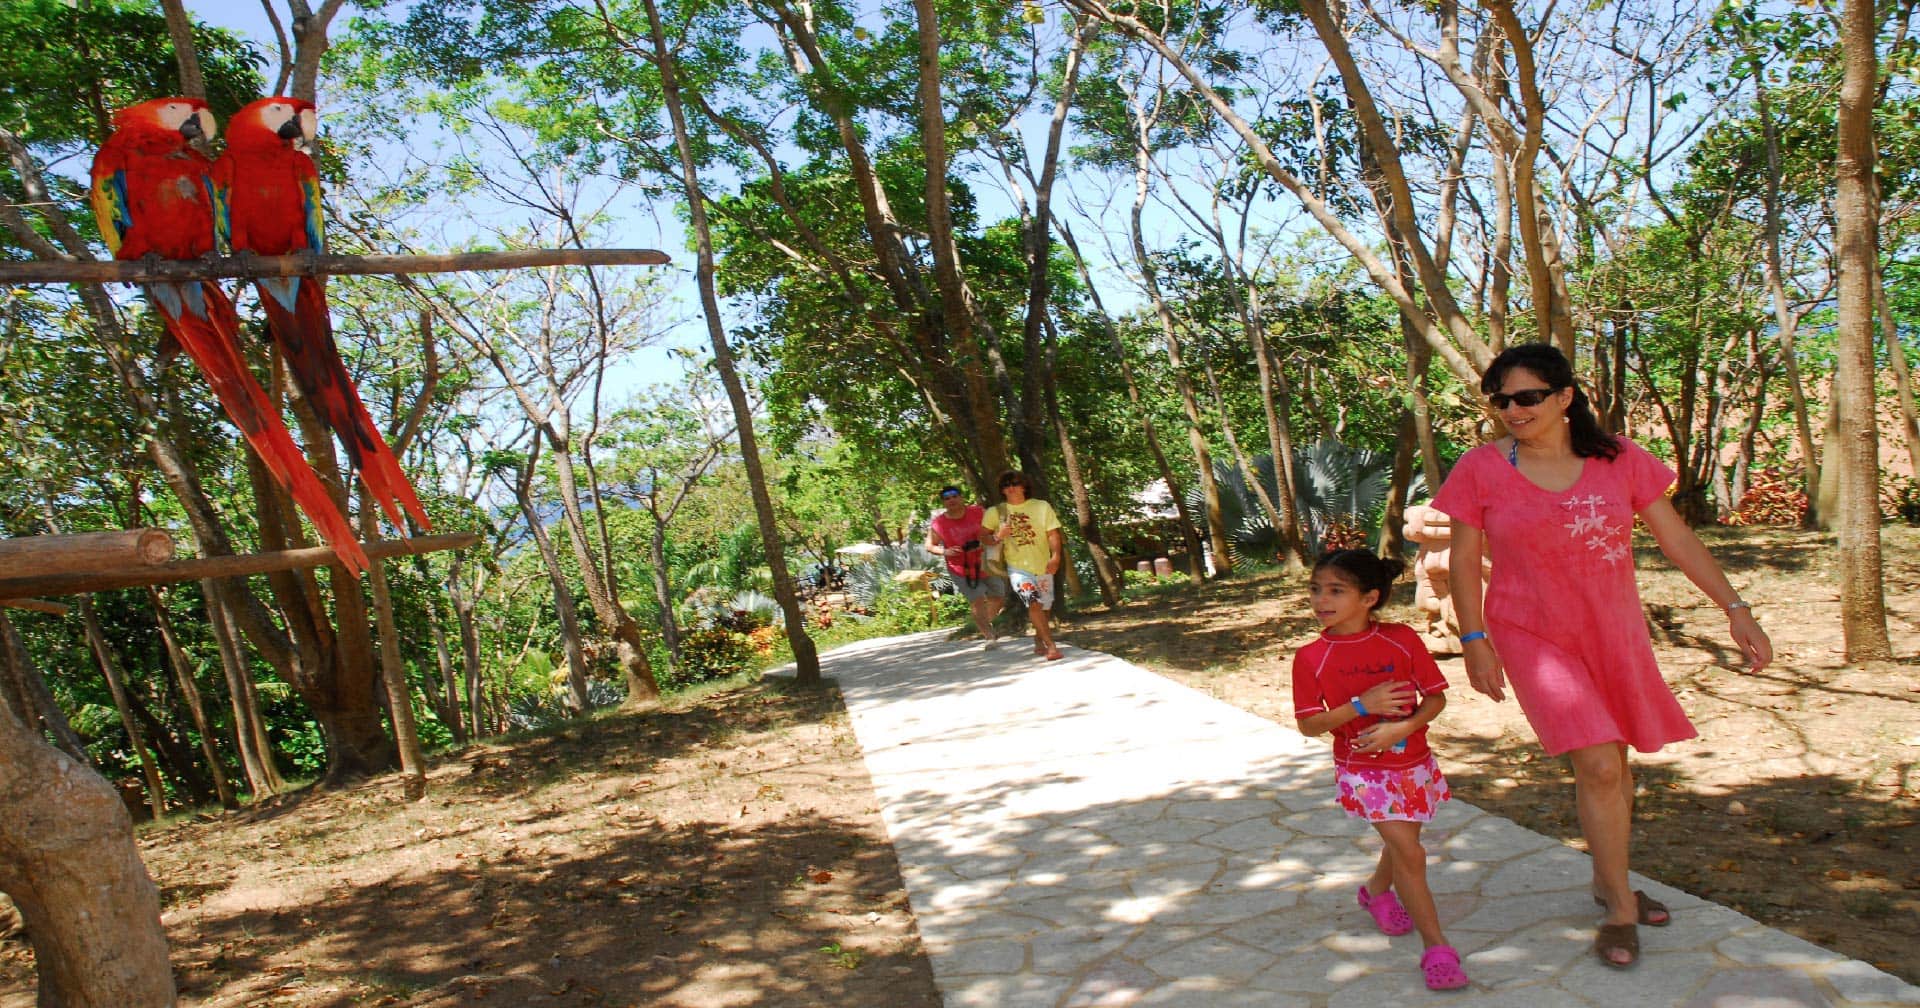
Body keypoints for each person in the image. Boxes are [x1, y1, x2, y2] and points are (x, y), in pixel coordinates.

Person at [1431, 343, 1773, 970]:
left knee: (1613, 762)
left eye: (1527, 396)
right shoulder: (1480, 468)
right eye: (1500, 399)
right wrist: (1474, 641)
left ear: (1564, 397)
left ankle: (1607, 877)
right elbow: (1461, 562)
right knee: (1597, 762)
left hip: (1612, 631)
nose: (1512, 409)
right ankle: (1619, 906)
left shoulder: (1618, 459)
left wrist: (1736, 607)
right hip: (1530, 633)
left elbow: (1675, 537)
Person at [1291, 549, 1469, 991]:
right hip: (1363, 771)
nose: (1320, 600)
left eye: (1335, 591)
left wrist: (1403, 728)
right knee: (1410, 851)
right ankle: (1437, 948)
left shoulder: (1402, 639)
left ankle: (1375, 892)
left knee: (1404, 841)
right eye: (1315, 589)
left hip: (1412, 762)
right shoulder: (1311, 657)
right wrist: (1360, 706)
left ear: (1369, 598)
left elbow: (1435, 698)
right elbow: (1309, 724)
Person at [980, 470, 1066, 661]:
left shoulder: (1041, 506)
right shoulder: (995, 512)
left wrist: (1056, 557)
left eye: (1014, 483)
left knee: (1045, 607)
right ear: (1001, 490)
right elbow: (983, 536)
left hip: (1044, 566)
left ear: (1024, 485)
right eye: (1005, 485)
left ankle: (1038, 640)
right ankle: (1051, 646)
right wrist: (997, 536)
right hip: (1018, 569)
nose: (1010, 488)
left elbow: (1053, 534)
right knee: (1033, 602)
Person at [924, 485, 1008, 645]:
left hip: (985, 561)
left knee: (998, 597)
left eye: (954, 496)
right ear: (943, 503)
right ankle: (989, 636)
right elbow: (929, 545)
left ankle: (985, 621)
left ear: (961, 498)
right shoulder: (939, 523)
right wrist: (945, 551)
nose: (951, 500)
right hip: (961, 568)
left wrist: (988, 540)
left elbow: (994, 529)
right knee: (976, 600)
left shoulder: (978, 512)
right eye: (947, 498)